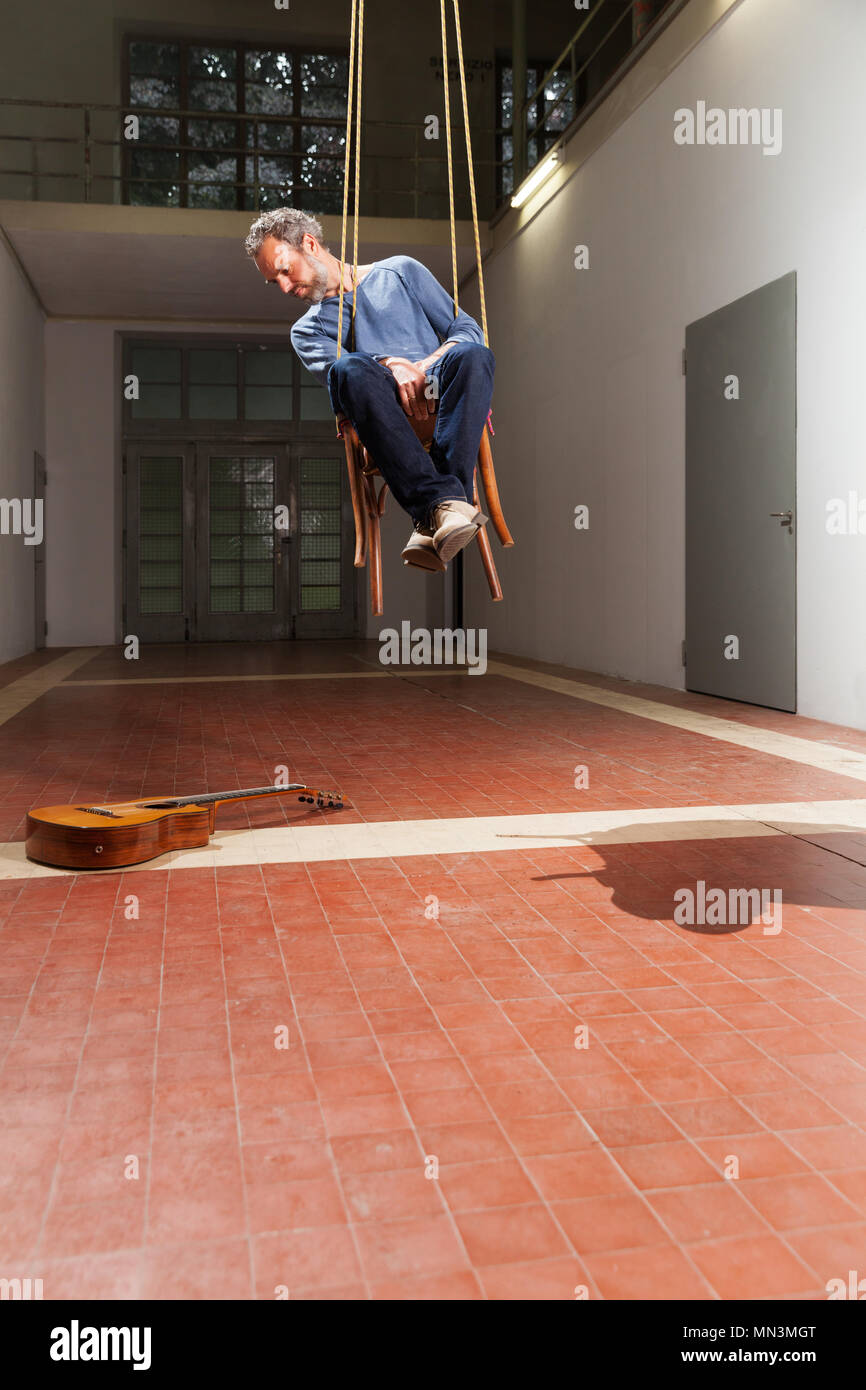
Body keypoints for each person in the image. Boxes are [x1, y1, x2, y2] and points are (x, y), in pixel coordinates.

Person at [245, 208, 495, 572]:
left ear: (310, 244)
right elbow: (347, 382)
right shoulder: (306, 331)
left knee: (474, 355)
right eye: (274, 281)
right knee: (349, 368)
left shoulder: (401, 271)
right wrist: (393, 365)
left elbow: (468, 330)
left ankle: (435, 511)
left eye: (285, 270)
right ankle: (447, 504)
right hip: (382, 411)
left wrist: (423, 367)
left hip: (439, 395)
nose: (284, 286)